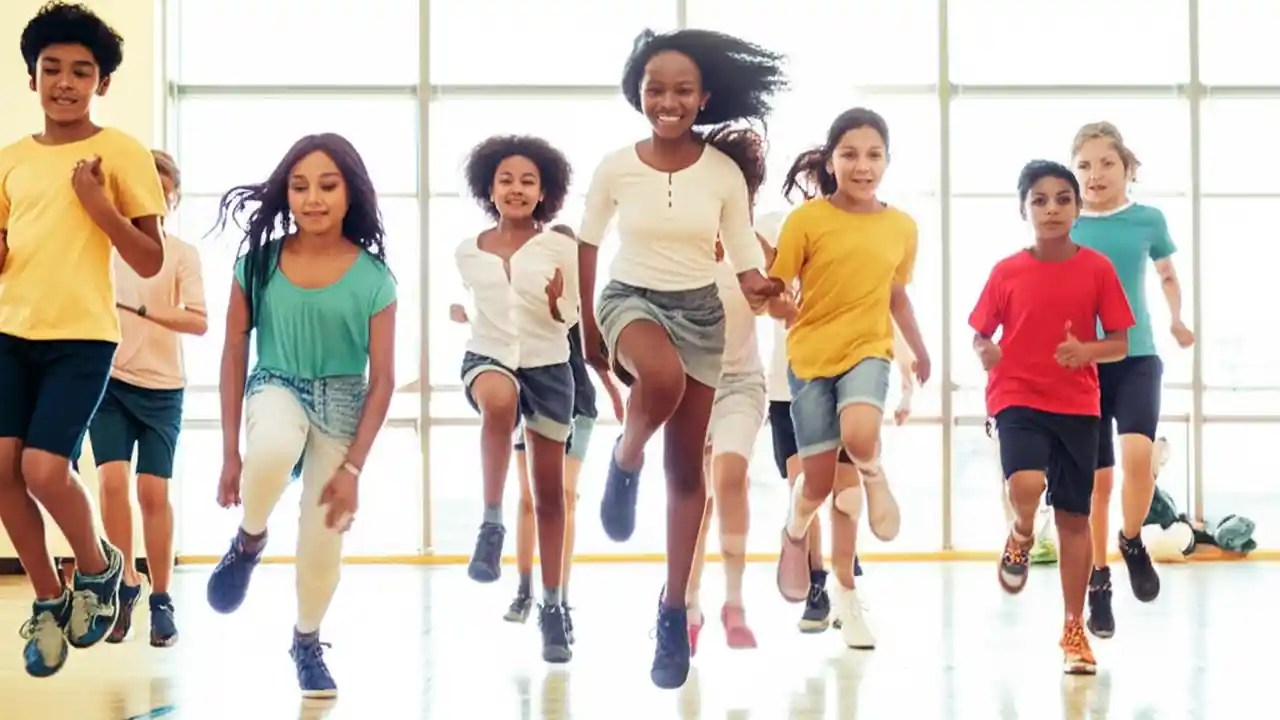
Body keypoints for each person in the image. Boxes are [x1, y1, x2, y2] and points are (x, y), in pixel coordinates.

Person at [576, 28, 787, 689]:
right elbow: (587, 242)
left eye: (682, 90)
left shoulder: (723, 174)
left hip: (701, 312)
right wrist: (587, 321)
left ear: (704, 98)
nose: (668, 101)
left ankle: (672, 610)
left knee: (687, 474)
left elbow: (742, 253)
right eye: (655, 89)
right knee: (659, 379)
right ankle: (625, 455)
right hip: (629, 298)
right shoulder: (617, 165)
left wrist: (759, 286)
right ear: (638, 93)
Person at [0, 1, 167, 678]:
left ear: (100, 82)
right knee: (2, 474)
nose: (64, 82)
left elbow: (151, 260)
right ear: (32, 77)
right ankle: (47, 598)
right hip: (10, 332)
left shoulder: (120, 152)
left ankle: (99, 569)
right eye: (51, 69)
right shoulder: (9, 160)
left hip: (82, 337)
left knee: (44, 470)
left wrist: (99, 207)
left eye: (81, 71)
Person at [205, 133, 397, 698]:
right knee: (269, 452)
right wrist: (228, 453)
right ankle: (249, 542)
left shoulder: (374, 278)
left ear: (350, 194)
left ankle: (306, 641)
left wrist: (353, 470)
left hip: (343, 406)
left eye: (328, 186)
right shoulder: (256, 266)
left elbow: (383, 380)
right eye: (300, 186)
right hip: (277, 383)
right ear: (286, 194)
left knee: (322, 548)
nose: (313, 197)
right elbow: (234, 353)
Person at [769, 107, 930, 650]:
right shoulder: (807, 221)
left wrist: (920, 349)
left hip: (868, 349)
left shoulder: (902, 226)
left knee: (861, 435)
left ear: (887, 160)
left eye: (874, 155)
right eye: (850, 154)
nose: (863, 166)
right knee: (815, 484)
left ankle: (875, 473)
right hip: (810, 358)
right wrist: (777, 303)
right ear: (831, 159)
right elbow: (778, 289)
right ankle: (793, 531)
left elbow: (896, 295)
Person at [969, 159, 1134, 675]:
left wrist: (1086, 351)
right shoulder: (1006, 271)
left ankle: (1072, 627)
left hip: (1077, 405)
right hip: (1016, 393)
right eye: (1039, 200)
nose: (1052, 208)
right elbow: (980, 332)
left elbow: (1119, 344)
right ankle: (1020, 533)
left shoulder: (1098, 269)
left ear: (1078, 208)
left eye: (1063, 198)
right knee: (1025, 483)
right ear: (1024, 209)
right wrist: (985, 352)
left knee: (1073, 517)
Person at [452, 134, 581, 663]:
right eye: (506, 179)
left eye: (528, 181)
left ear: (543, 191)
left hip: (549, 367)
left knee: (549, 496)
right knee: (498, 403)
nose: (516, 188)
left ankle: (552, 608)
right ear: (490, 187)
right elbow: (475, 309)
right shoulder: (468, 250)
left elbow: (573, 315)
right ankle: (490, 522)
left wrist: (556, 304)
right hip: (489, 356)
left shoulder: (561, 248)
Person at [1069, 121, 1194, 638]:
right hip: (1084, 365)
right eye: (1084, 166)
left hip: (1138, 355)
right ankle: (1100, 580)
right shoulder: (1066, 223)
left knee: (1139, 456)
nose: (1094, 175)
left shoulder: (1148, 219)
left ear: (1127, 169)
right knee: (1098, 482)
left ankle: (1132, 539)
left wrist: (1177, 319)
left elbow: (1166, 273)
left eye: (1106, 164)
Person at [77, 149, 206, 648]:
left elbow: (197, 319)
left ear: (171, 199)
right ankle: (125, 582)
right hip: (108, 383)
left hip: (162, 388)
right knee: (111, 483)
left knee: (153, 492)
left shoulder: (181, 254)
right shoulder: (98, 248)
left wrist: (143, 309)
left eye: (161, 189)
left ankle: (161, 598)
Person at [683, 126, 773, 655]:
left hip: (741, 382)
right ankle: (689, 602)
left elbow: (782, 305)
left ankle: (734, 602)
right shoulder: (679, 242)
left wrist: (777, 297)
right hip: (690, 385)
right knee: (694, 501)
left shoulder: (759, 245)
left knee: (731, 476)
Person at [498, 323, 623, 643]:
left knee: (564, 496)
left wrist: (614, 391)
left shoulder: (571, 292)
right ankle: (525, 591)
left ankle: (560, 600)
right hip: (526, 402)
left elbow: (596, 349)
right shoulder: (515, 287)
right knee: (529, 498)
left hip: (577, 406)